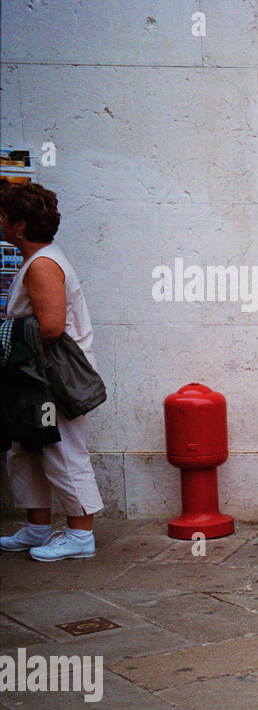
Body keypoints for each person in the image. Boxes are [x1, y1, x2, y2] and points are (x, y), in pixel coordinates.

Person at [0, 182, 104, 561]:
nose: (1, 223)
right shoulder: (38, 260)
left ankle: (80, 536)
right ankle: (37, 528)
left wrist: (3, 335)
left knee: (60, 449)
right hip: (34, 378)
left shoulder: (43, 265)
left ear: (20, 225)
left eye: (4, 217)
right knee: (25, 450)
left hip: (53, 381)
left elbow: (51, 327)